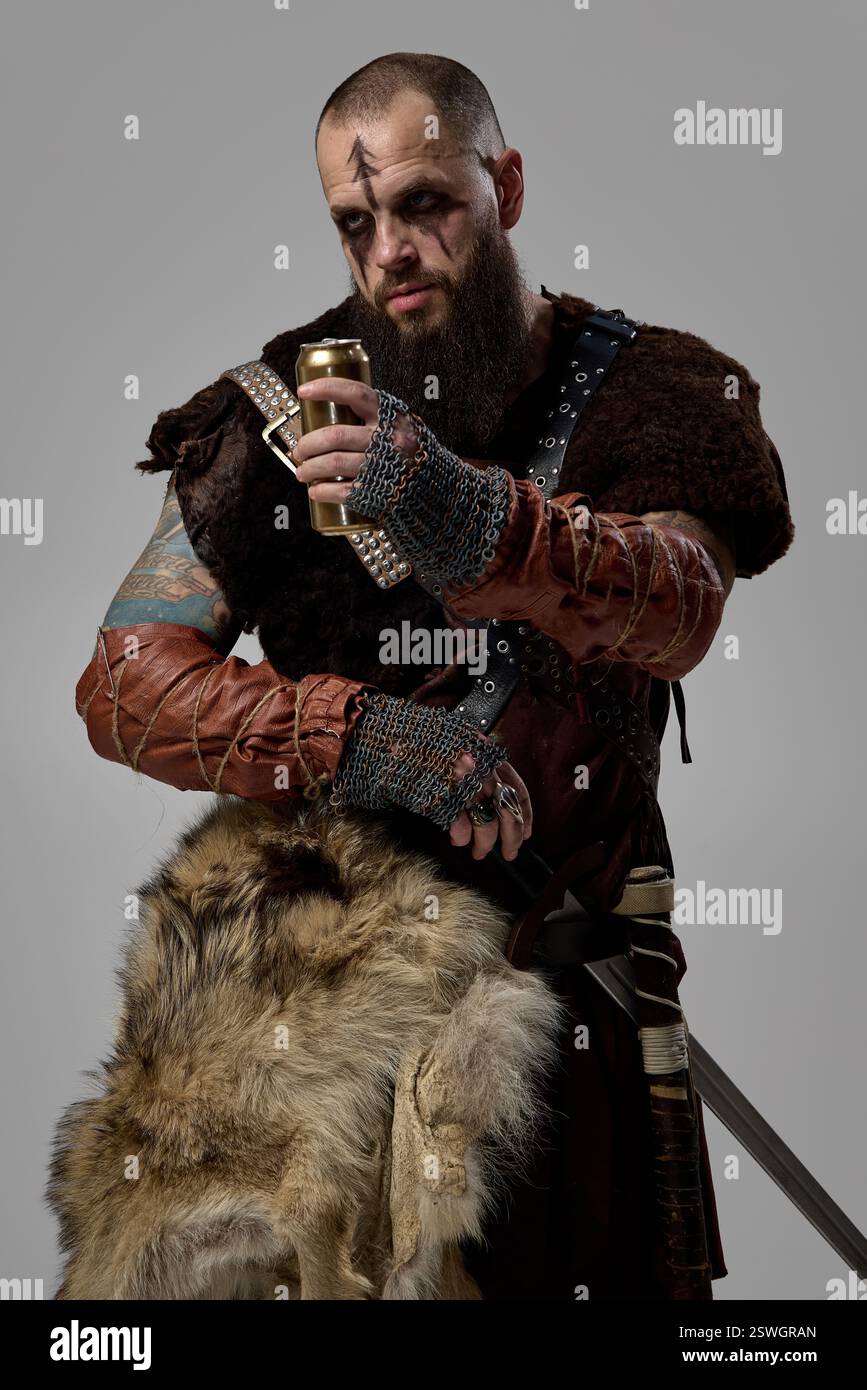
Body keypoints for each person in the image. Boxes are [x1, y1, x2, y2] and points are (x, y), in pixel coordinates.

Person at [70, 52, 794, 1299]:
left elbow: (678, 606)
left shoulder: (655, 391)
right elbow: (124, 680)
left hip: (566, 980)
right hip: (317, 1011)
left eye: (425, 206)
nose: (390, 247)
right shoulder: (278, 413)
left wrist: (475, 525)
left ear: (504, 187)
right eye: (357, 223)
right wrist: (342, 734)